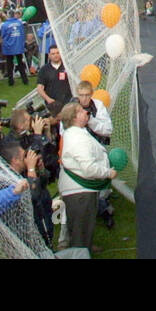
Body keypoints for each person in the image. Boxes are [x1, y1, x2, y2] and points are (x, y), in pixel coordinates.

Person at [57, 99, 116, 251]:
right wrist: (108, 172)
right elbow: (88, 167)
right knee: (80, 228)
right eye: (81, 111)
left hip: (81, 190)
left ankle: (85, 247)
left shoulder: (77, 133)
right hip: (79, 192)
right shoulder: (77, 138)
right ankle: (81, 250)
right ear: (74, 117)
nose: (86, 111)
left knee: (84, 227)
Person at [36, 45, 72, 116]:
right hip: (53, 105)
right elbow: (39, 88)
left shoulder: (67, 66)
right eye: (53, 54)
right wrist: (48, 99)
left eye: (57, 53)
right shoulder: (44, 70)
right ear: (49, 55)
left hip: (68, 103)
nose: (56, 55)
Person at [0, 13, 30, 87]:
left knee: (9, 64)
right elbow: (23, 33)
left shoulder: (5, 25)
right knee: (20, 63)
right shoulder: (19, 23)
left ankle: (11, 81)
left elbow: (2, 35)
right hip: (18, 45)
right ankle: (25, 79)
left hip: (9, 46)